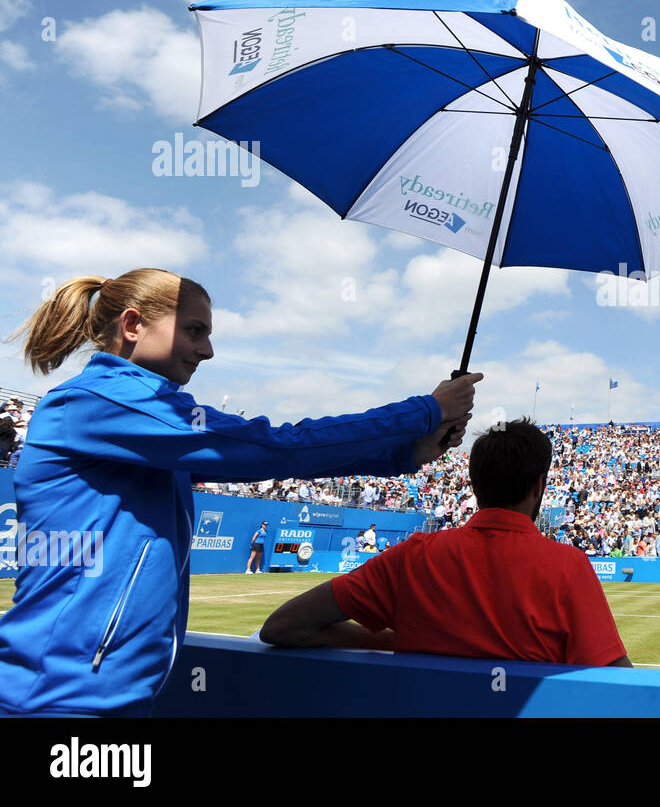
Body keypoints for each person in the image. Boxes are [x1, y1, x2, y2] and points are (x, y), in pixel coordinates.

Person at [0, 269, 481, 717]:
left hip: (96, 697)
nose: (208, 350)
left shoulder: (136, 420)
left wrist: (406, 453)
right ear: (132, 325)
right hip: (55, 699)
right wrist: (423, 410)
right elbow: (270, 447)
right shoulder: (95, 402)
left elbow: (280, 455)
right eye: (194, 330)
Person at [261, 418, 660, 718]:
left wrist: (392, 641)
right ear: (539, 487)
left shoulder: (411, 558)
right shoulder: (566, 566)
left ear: (474, 485)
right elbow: (624, 700)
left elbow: (282, 627)